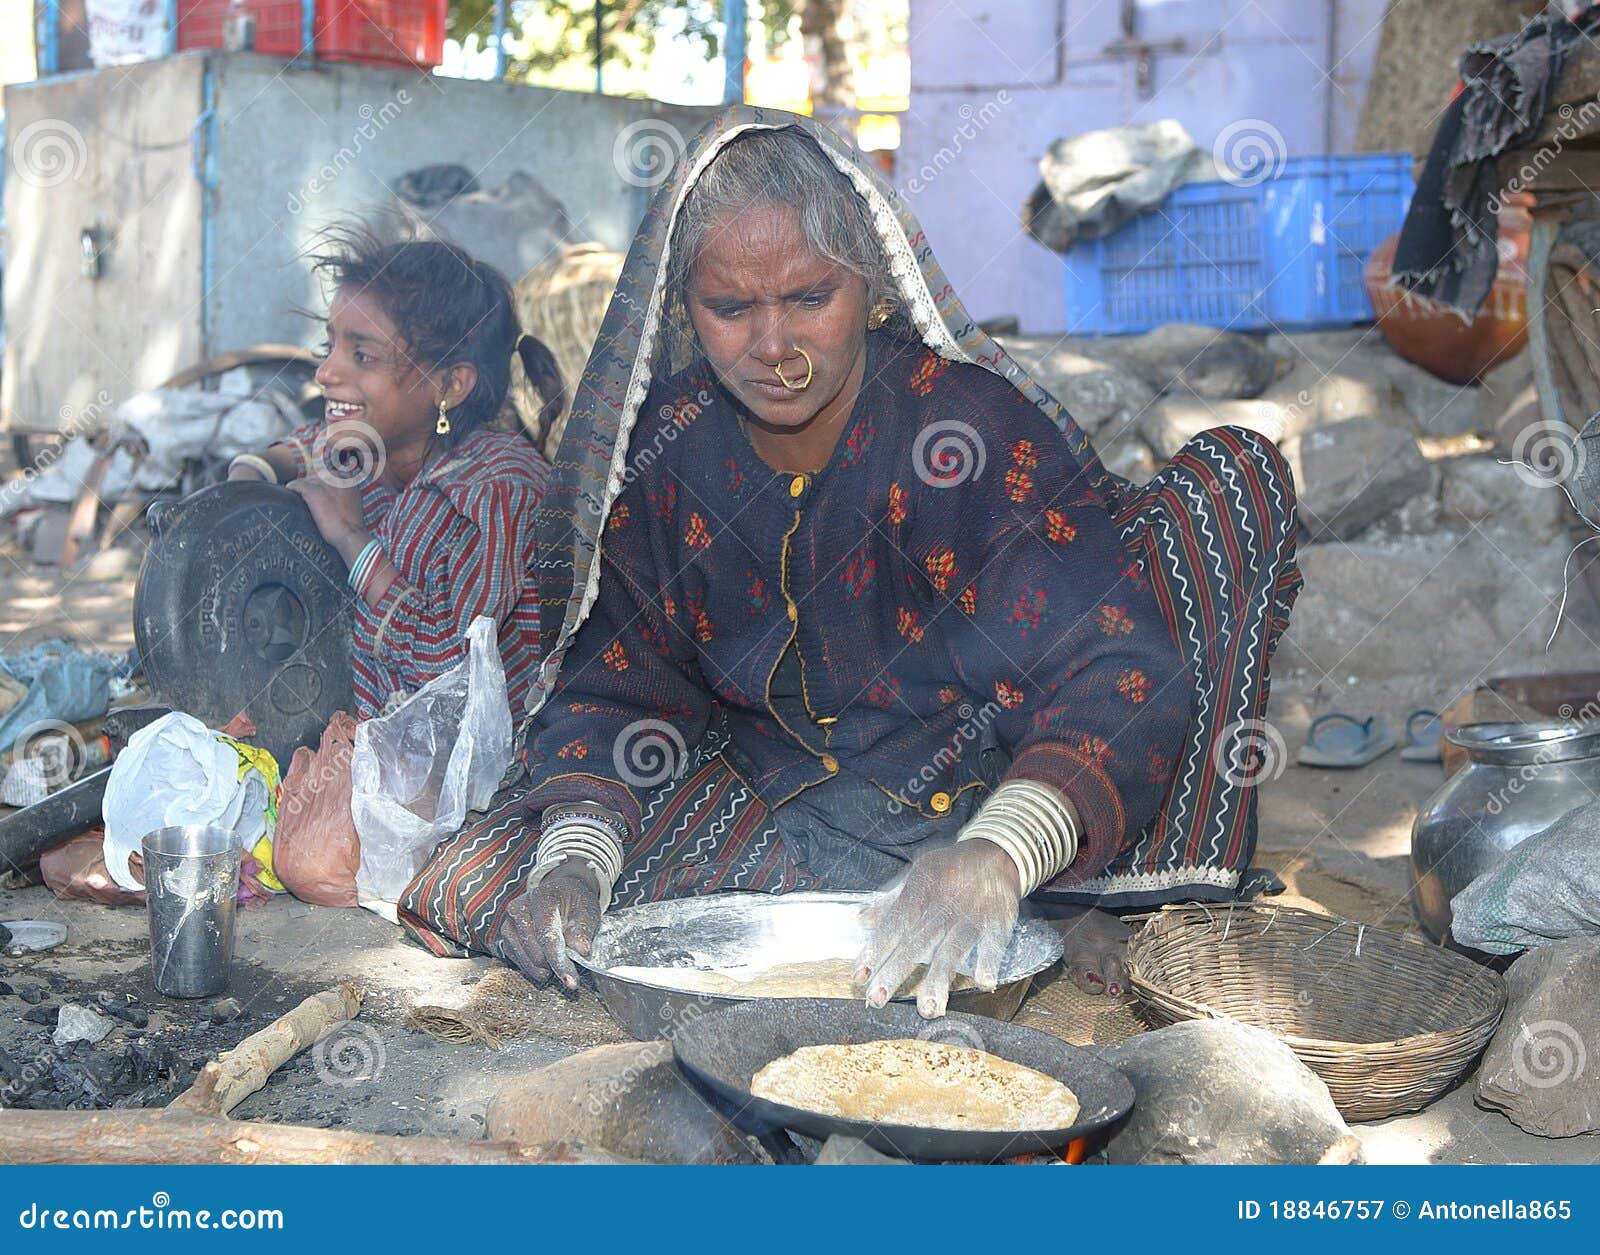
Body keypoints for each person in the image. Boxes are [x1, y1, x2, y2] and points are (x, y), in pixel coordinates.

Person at [399, 110, 1303, 1017]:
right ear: (686, 307)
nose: (774, 347)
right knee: (486, 886)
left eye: (809, 299)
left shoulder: (962, 429)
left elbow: (1114, 667)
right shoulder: (670, 455)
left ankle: (1060, 896)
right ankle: (964, 912)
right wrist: (575, 864)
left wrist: (999, 852)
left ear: (868, 284)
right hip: (805, 822)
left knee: (1231, 484)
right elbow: (619, 690)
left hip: (1015, 779)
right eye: (731, 309)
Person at [228, 233, 561, 719]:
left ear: (448, 384)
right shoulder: (370, 446)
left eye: (363, 356)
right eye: (331, 344)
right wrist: (250, 475)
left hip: (479, 774)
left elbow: (454, 676)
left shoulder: (496, 491)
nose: (325, 372)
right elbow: (304, 445)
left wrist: (353, 541)